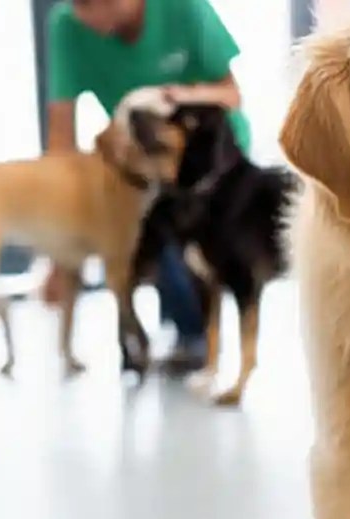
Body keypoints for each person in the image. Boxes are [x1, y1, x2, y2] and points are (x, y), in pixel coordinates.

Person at [43, 0, 249, 371]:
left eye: (94, 6)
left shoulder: (183, 8)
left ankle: (197, 335)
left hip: (209, 156)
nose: (86, 16)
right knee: (140, 237)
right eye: (79, 6)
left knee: (185, 235)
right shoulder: (68, 25)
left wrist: (177, 99)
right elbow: (61, 137)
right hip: (143, 168)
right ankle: (170, 331)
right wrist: (57, 248)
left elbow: (232, 94)